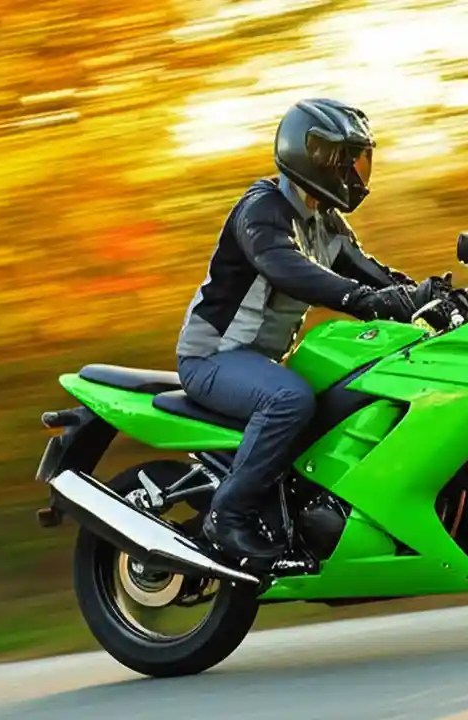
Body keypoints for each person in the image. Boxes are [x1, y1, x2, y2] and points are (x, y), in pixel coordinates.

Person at [175, 98, 419, 571]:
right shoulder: (262, 210)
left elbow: (371, 273)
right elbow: (288, 269)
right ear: (314, 155)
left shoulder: (325, 222)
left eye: (360, 160)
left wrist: (431, 296)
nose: (355, 173)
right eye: (347, 159)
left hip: (258, 362)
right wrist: (362, 301)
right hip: (212, 357)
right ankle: (227, 515)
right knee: (290, 401)